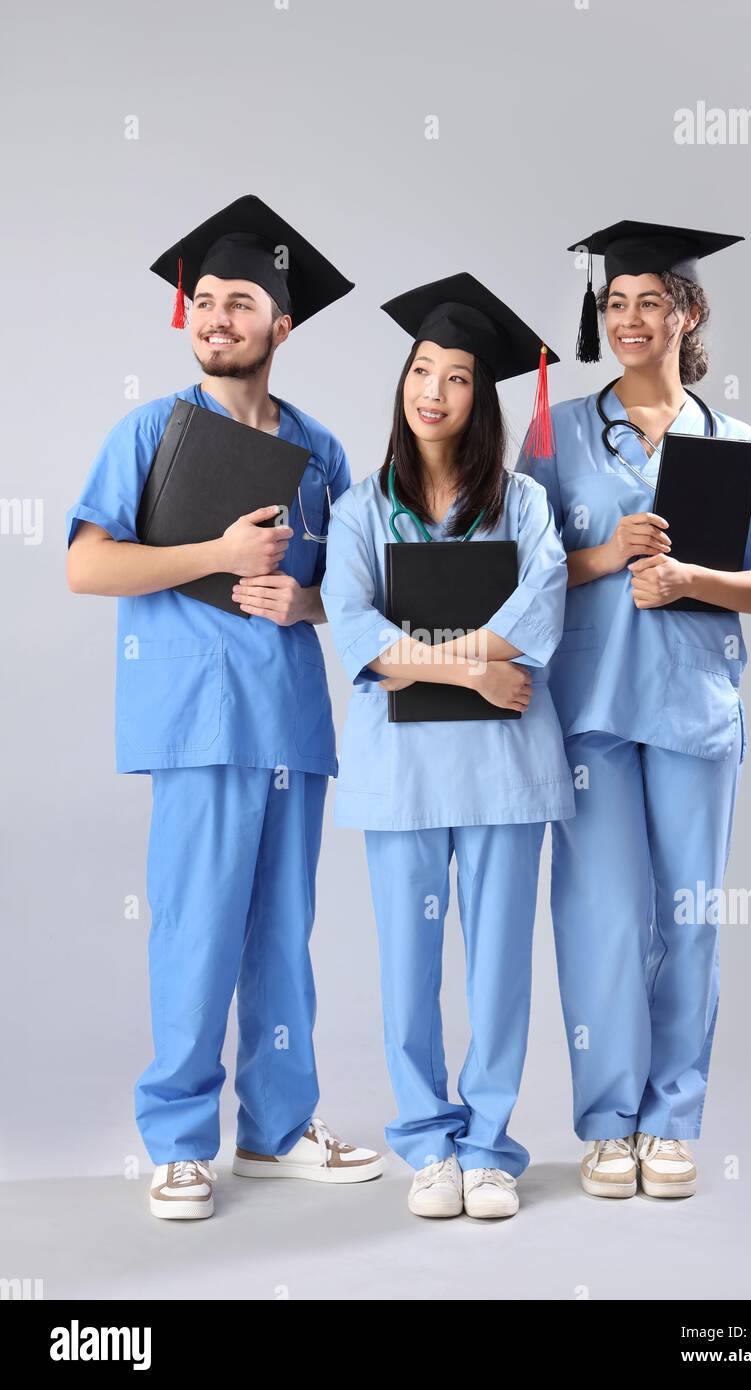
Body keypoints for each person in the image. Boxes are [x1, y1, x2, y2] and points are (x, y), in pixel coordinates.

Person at [66, 194, 383, 1221]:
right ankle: (177, 1143)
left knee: (283, 935)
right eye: (202, 300)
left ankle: (278, 1132)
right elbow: (86, 565)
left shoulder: (319, 452)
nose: (215, 318)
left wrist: (306, 599)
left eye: (239, 302)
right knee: (196, 932)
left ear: (280, 324)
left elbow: (352, 587)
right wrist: (217, 552)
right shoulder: (151, 431)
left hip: (289, 718)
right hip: (196, 720)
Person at [516, 219, 751, 1199]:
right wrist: (606, 557)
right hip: (591, 709)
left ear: (688, 312)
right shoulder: (555, 434)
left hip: (692, 708)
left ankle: (671, 1119)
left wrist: (689, 580)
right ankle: (607, 1123)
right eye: (615, 302)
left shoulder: (737, 446)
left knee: (689, 916)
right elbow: (517, 573)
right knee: (598, 914)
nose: (629, 318)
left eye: (649, 301)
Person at [320, 272, 574, 1220]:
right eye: (421, 369)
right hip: (405, 772)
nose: (432, 390)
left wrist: (419, 658)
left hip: (506, 768)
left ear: (481, 397)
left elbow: (538, 610)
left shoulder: (525, 505)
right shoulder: (359, 510)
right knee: (408, 967)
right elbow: (358, 635)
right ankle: (428, 1143)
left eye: (457, 376)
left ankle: (490, 1147)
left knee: (500, 965)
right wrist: (472, 673)